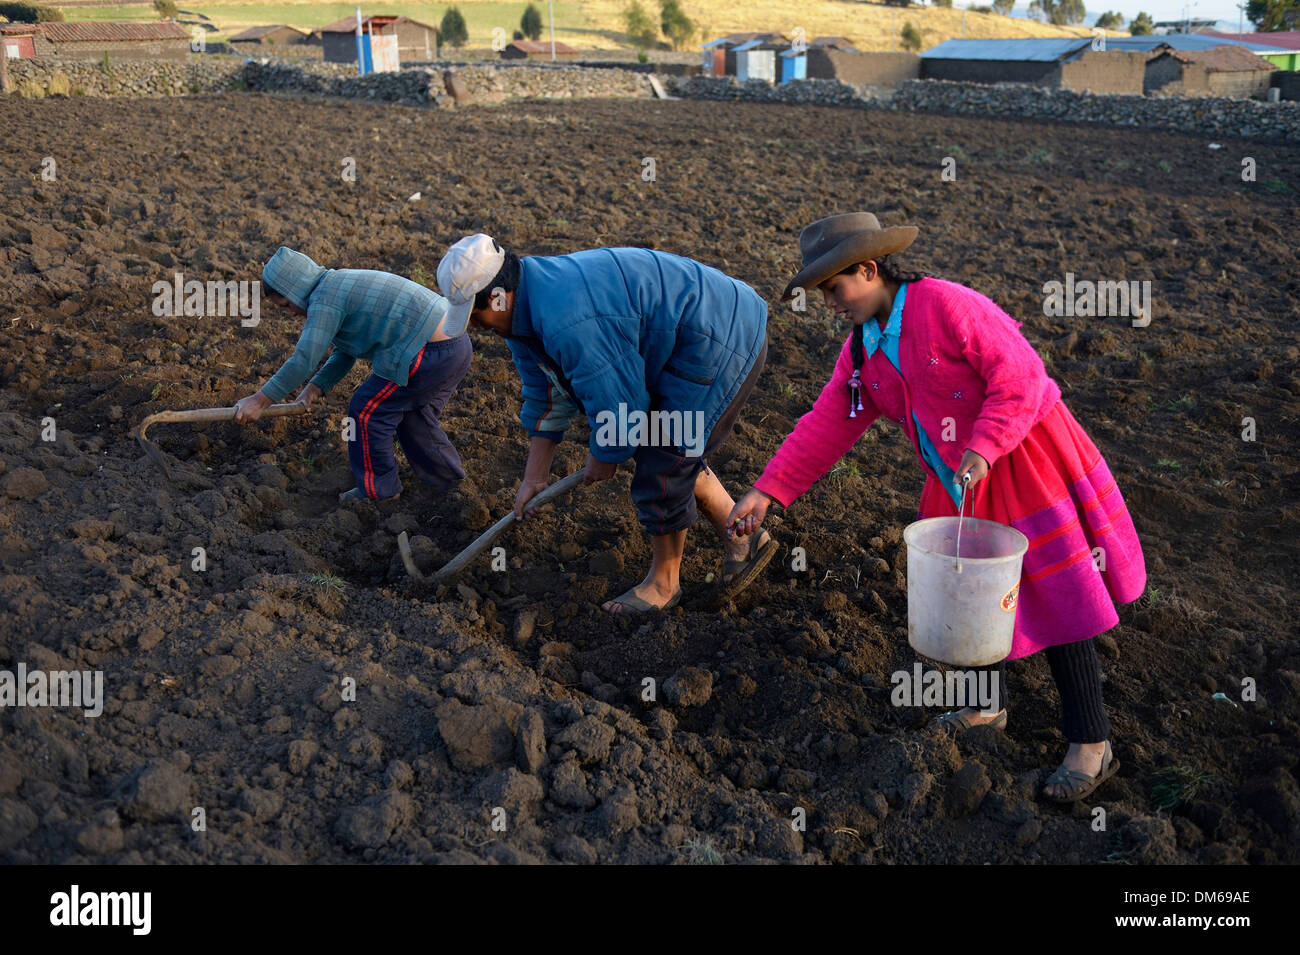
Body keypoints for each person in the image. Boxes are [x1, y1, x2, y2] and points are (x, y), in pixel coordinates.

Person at [727, 212, 1147, 803]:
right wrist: (769, 489)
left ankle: (1091, 745)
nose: (829, 303)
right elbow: (829, 421)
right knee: (969, 588)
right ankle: (985, 708)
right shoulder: (863, 350)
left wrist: (983, 446)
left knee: (1057, 593)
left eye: (833, 287)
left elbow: (1021, 376)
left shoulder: (946, 306)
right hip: (959, 479)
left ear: (868, 269)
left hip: (1023, 460)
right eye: (821, 292)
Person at [436, 233, 777, 614]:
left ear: (498, 296)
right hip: (692, 331)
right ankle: (748, 538)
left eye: (476, 315)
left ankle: (664, 585)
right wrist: (535, 476)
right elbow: (544, 393)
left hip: (719, 336)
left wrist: (606, 453)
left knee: (664, 458)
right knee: (670, 444)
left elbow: (622, 407)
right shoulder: (524, 312)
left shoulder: (566, 318)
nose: (477, 326)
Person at [233, 247, 472, 503]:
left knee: (366, 410)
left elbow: (303, 359)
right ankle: (449, 484)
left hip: (425, 351)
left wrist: (259, 401)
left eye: (285, 304)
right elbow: (345, 351)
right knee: (415, 415)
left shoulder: (324, 299)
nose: (290, 312)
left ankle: (379, 490)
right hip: (455, 345)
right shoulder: (338, 283)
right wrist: (315, 387)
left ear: (295, 289)